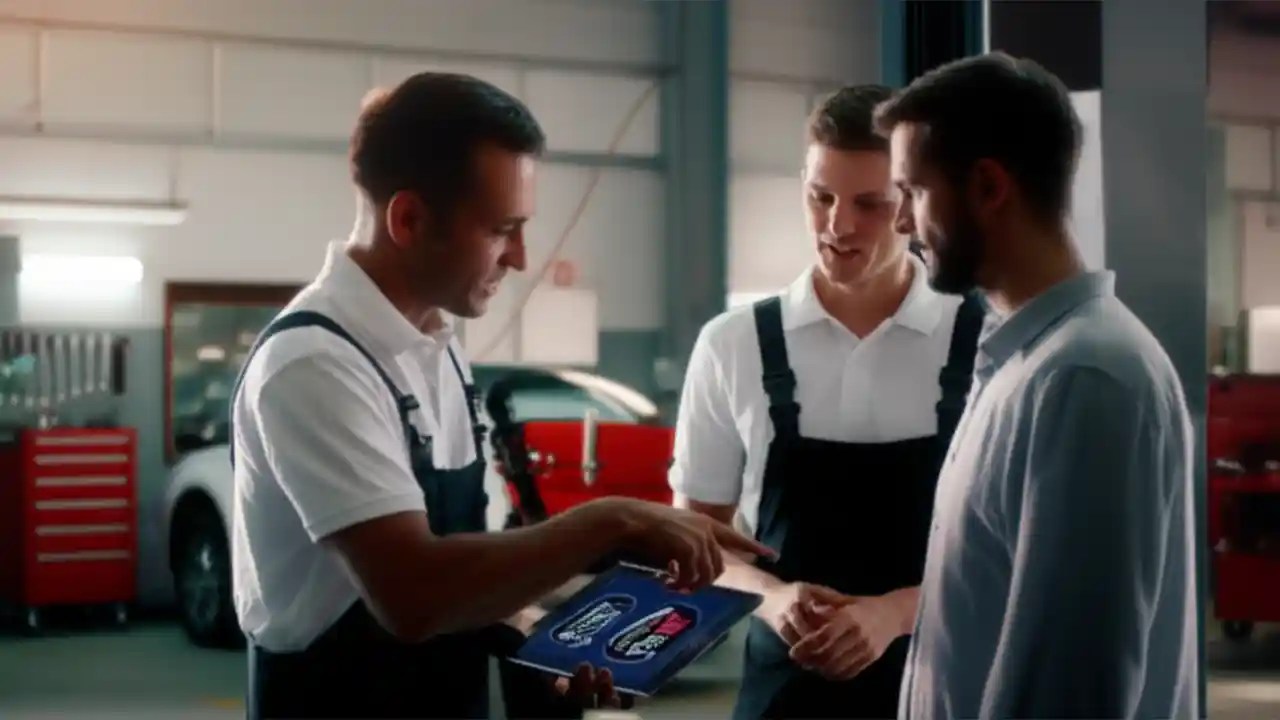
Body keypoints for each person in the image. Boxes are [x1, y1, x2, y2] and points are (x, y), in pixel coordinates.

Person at [229, 73, 772, 720]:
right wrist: (614, 519)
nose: (520, 256)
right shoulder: (314, 364)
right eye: (501, 229)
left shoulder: (439, 347)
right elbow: (413, 595)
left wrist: (540, 649)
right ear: (408, 218)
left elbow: (471, 555)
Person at [875, 52, 1199, 719]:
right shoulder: (1025, 364)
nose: (900, 222)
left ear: (989, 187)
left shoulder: (1086, 379)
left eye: (911, 191)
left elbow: (1071, 687)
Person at [668, 85, 985, 719]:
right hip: (782, 698)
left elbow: (1012, 552)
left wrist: (894, 614)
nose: (838, 226)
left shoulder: (985, 344)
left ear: (913, 205)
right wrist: (771, 598)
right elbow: (696, 536)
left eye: (869, 204)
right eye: (820, 197)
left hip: (945, 694)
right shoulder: (732, 345)